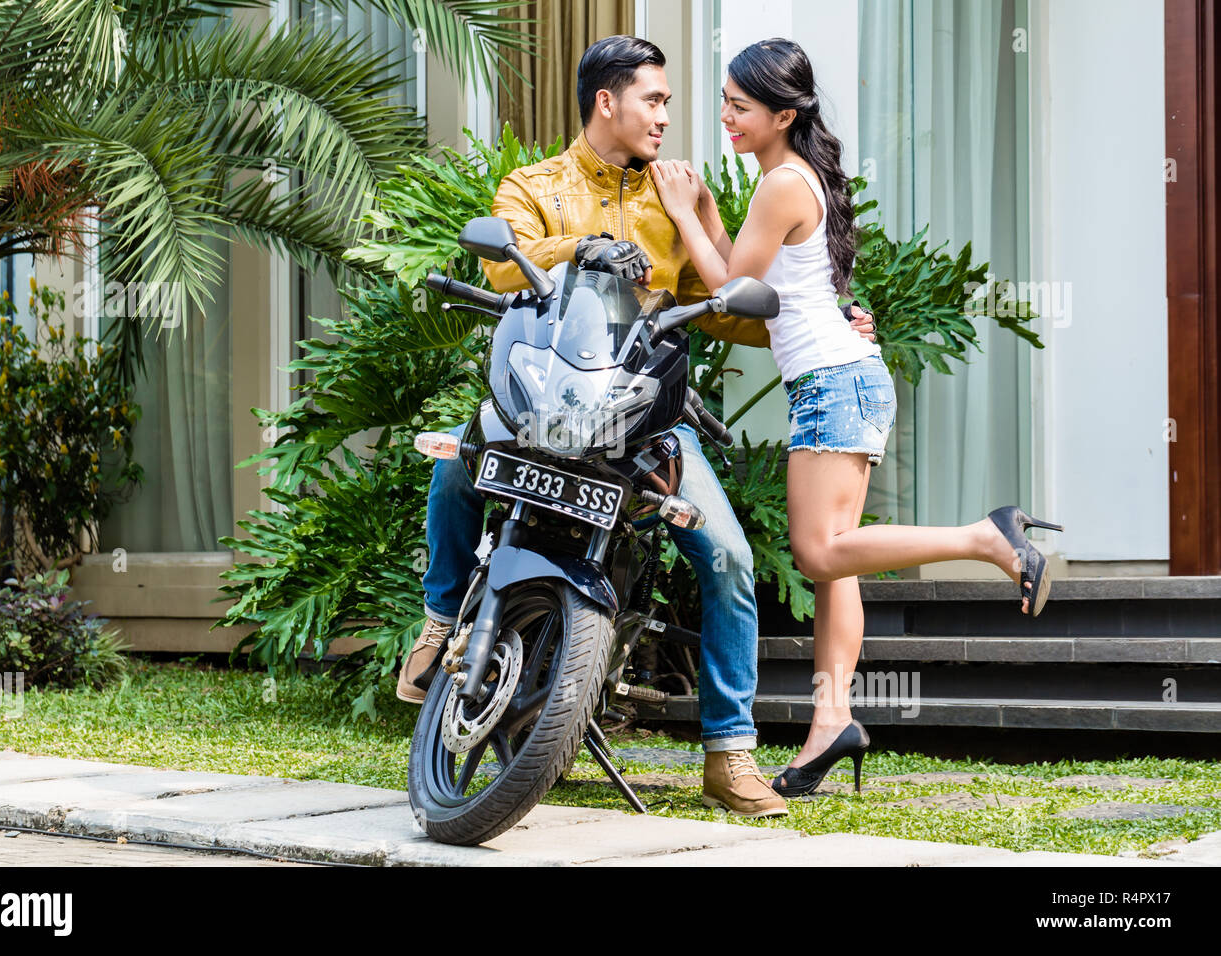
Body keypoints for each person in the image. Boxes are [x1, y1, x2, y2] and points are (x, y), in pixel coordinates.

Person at [395, 34, 879, 818]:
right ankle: (441, 620)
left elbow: (726, 299)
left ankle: (730, 753)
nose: (666, 117)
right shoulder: (535, 184)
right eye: (654, 100)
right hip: (544, 397)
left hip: (643, 417)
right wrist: (581, 247)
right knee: (458, 459)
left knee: (725, 555)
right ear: (606, 101)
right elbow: (502, 256)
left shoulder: (672, 195)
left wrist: (824, 318)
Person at [650, 37, 1063, 799]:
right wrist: (705, 209)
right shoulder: (790, 177)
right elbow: (764, 277)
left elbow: (732, 295)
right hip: (847, 378)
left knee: (820, 553)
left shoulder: (781, 184)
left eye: (740, 107)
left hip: (834, 385)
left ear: (783, 112)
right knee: (843, 569)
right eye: (726, 103)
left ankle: (985, 537)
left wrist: (680, 209)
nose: (725, 118)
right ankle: (829, 724)